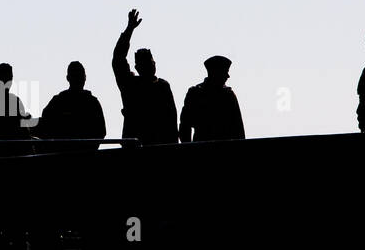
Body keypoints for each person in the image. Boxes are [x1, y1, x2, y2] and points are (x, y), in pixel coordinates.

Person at [112, 9, 177, 145]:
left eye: (151, 62)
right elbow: (118, 58)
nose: (151, 66)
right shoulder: (130, 85)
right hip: (135, 147)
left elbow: (171, 120)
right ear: (138, 68)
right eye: (147, 63)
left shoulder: (163, 86)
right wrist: (129, 29)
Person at [38, 61, 105, 152]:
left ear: (68, 78)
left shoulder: (57, 101)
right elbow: (101, 132)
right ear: (85, 78)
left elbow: (44, 126)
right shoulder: (93, 103)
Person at [180, 55, 245, 143]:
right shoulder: (227, 95)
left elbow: (238, 128)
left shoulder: (195, 93)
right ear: (216, 73)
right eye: (225, 72)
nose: (228, 76)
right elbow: (185, 126)